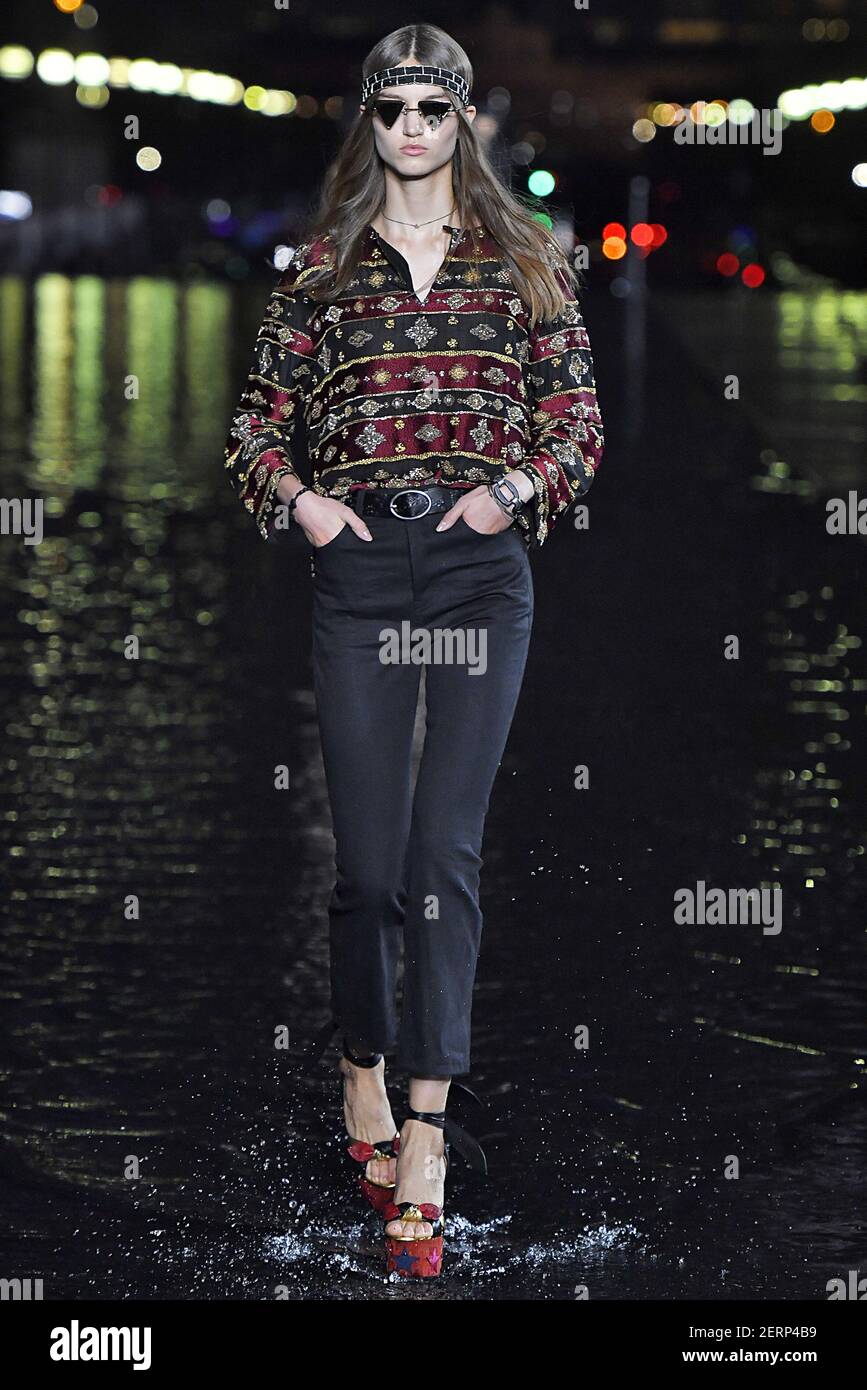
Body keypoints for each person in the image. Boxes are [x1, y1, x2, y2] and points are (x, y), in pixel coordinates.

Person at [223, 22, 604, 1278]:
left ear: (463, 123)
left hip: (480, 570)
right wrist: (304, 503)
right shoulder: (321, 270)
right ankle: (359, 1074)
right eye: (390, 111)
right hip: (362, 569)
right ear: (370, 125)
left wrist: (514, 493)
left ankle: (427, 1135)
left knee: (447, 852)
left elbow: (579, 422)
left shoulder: (528, 262)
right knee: (373, 870)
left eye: (432, 111)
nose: (412, 132)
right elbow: (253, 432)